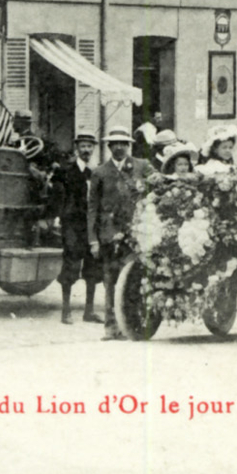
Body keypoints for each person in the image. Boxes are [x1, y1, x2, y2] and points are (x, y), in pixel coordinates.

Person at [89, 129, 143, 340]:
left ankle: (130, 324)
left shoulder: (140, 167)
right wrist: (93, 240)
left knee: (133, 280)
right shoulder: (100, 172)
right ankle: (111, 327)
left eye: (123, 143)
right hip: (109, 235)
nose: (119, 147)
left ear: (128, 145)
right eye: (115, 143)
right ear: (109, 147)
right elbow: (92, 208)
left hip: (135, 233)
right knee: (110, 280)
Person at [47, 133, 103, 325]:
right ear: (77, 148)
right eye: (83, 146)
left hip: (91, 226)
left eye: (89, 146)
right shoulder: (65, 171)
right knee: (71, 264)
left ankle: (89, 311)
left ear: (93, 149)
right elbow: (57, 197)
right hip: (72, 224)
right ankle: (66, 310)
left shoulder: (97, 171)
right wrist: (57, 217)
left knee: (92, 267)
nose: (86, 150)